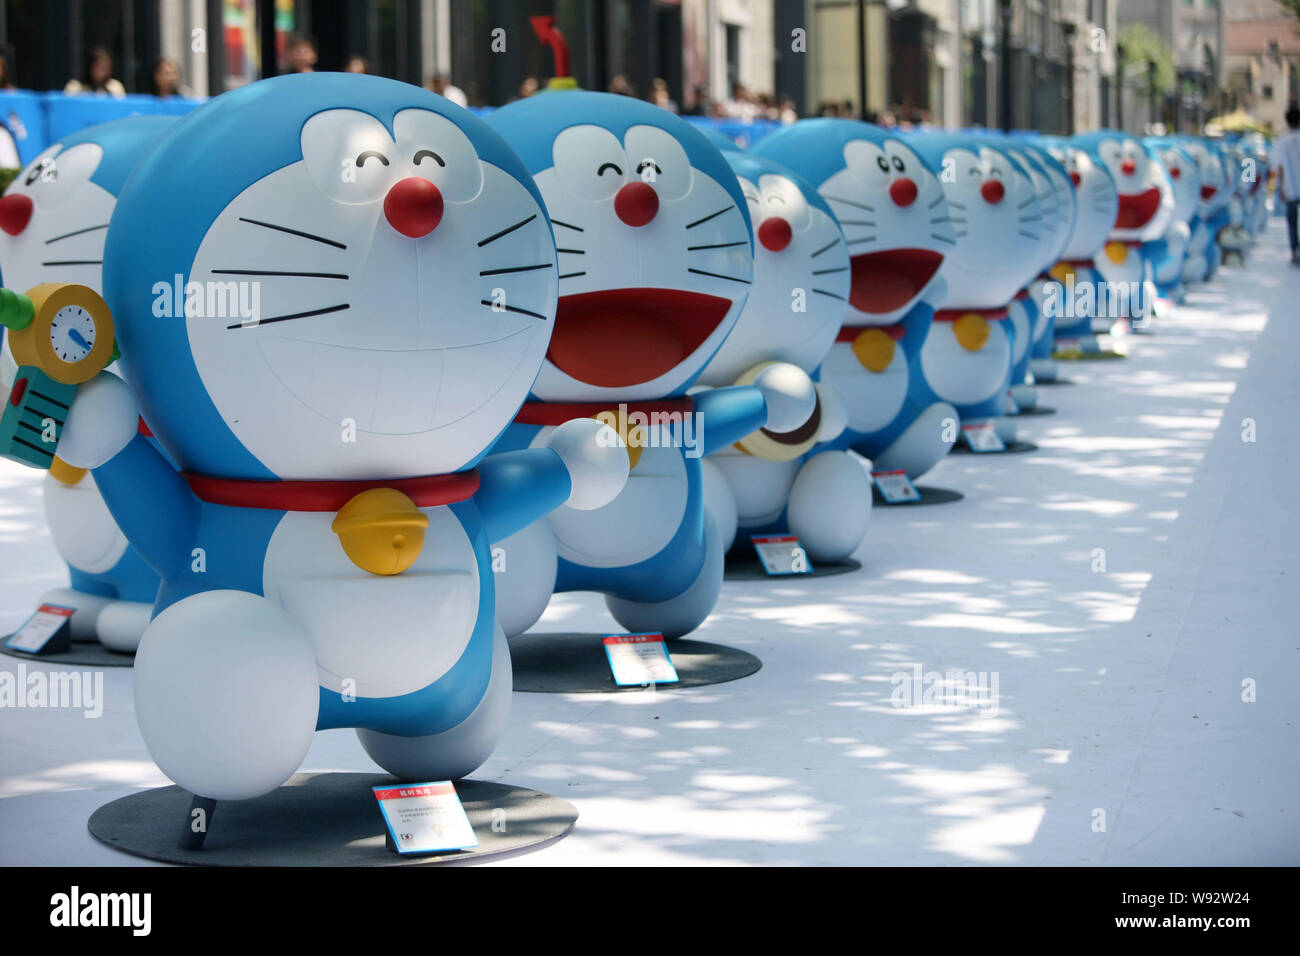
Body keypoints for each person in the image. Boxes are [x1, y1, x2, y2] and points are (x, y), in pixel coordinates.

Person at [1270, 104, 1300, 264]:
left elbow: (1279, 167)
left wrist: (1280, 187)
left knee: (1293, 223)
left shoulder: (1281, 141)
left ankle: (1295, 251)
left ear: (1287, 121)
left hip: (1291, 188)